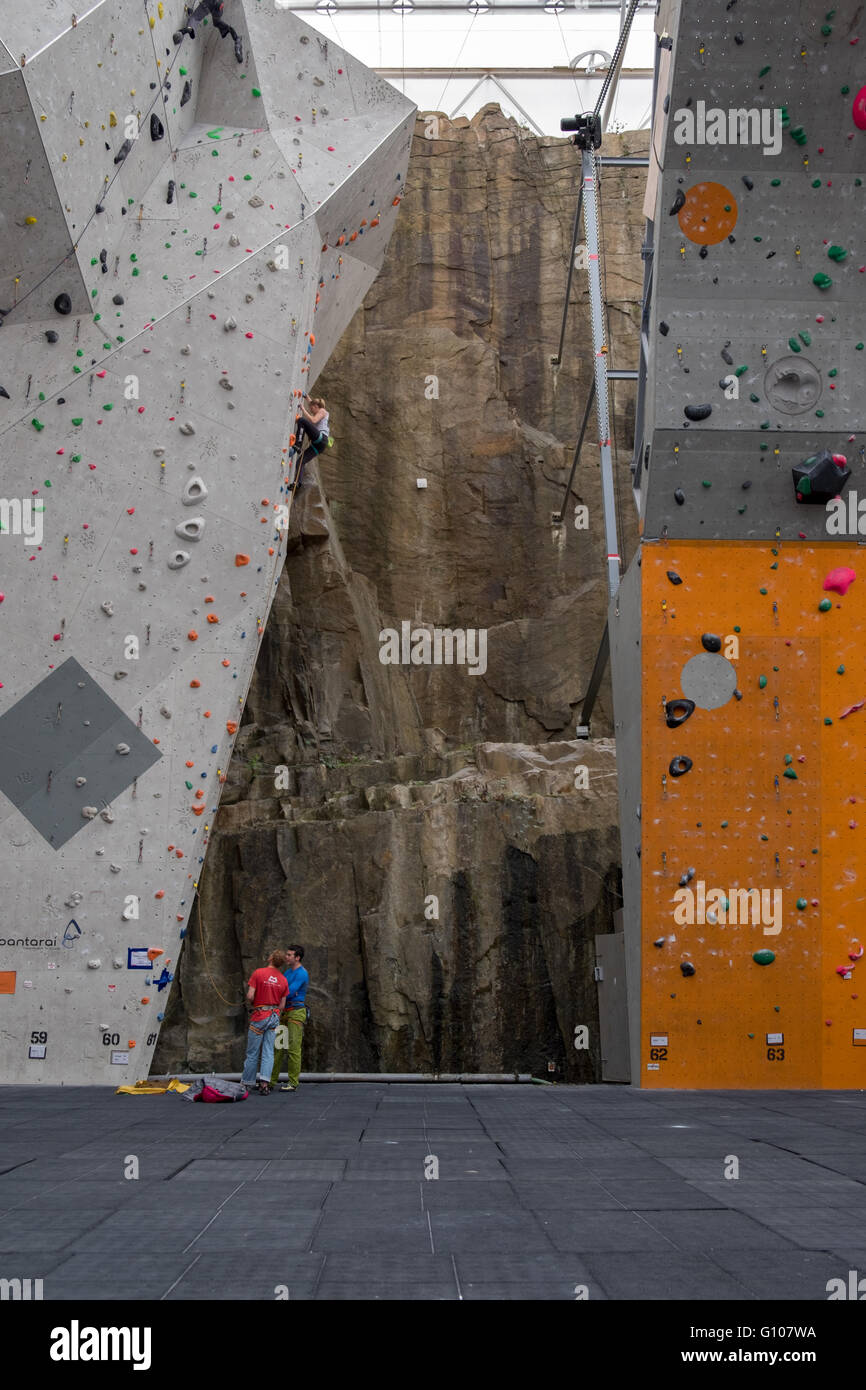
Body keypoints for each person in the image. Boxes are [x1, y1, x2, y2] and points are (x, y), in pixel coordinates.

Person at [242, 951, 288, 1095]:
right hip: (274, 1016)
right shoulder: (283, 980)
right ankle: (264, 1083)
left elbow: (250, 995)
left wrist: (255, 1003)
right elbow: (282, 1006)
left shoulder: (258, 973)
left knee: (252, 1053)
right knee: (269, 1052)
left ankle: (247, 1083)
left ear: (270, 958)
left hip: (260, 1015)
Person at [270, 945, 309, 1092]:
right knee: (278, 1047)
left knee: (293, 1048)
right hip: (284, 1012)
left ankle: (293, 1083)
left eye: (289, 955)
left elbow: (289, 991)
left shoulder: (302, 974)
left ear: (297, 957)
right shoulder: (287, 972)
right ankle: (271, 1081)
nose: (286, 957)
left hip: (296, 1012)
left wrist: (272, 992)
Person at [292, 396, 330, 490]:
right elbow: (312, 403)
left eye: (312, 408)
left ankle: (298, 444)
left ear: (317, 406)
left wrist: (303, 409)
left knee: (301, 420)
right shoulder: (318, 410)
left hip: (321, 438)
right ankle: (297, 483)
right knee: (300, 461)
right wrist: (306, 397)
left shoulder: (322, 411)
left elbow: (313, 420)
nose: (311, 410)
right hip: (320, 445)